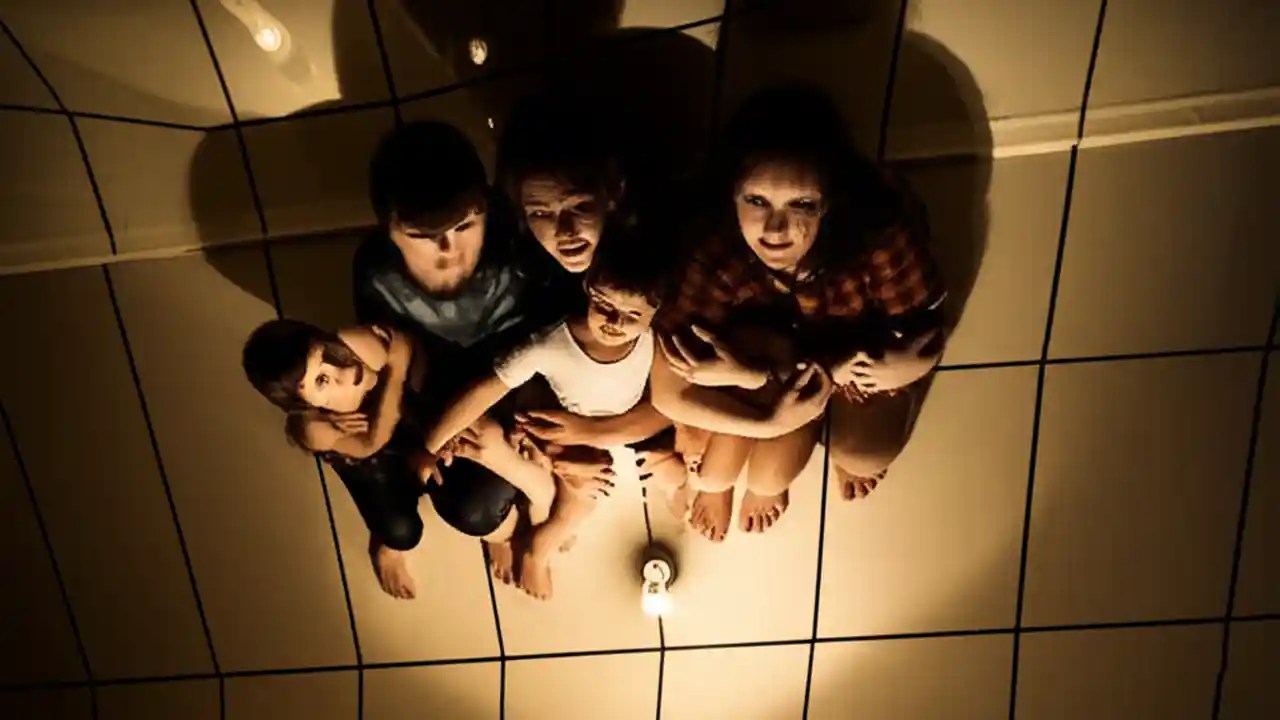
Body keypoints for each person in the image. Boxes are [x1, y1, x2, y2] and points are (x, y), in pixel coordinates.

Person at [651, 85, 946, 542]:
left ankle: (805, 441)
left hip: (844, 355)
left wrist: (905, 366)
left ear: (829, 201)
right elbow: (668, 392)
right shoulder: (711, 245)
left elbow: (925, 327)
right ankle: (748, 466)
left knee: (861, 455)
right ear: (732, 195)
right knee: (714, 473)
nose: (775, 229)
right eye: (756, 202)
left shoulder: (877, 230)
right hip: (765, 356)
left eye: (801, 205)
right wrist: (764, 416)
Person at [420, 232, 687, 599]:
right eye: (605, 306)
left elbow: (664, 409)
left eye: (632, 316)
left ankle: (544, 509)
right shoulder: (553, 343)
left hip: (611, 424)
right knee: (583, 497)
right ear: (590, 289)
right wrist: (428, 447)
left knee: (669, 468)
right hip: (559, 421)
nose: (614, 322)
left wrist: (593, 433)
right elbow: (487, 387)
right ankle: (537, 549)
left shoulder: (655, 340)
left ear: (656, 313)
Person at [241, 319, 556, 599]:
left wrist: (424, 436)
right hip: (372, 455)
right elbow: (371, 443)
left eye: (326, 353)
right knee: (399, 531)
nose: (340, 370)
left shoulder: (353, 342)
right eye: (321, 381)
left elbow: (404, 345)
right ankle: (389, 546)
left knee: (476, 509)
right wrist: (393, 373)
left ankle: (496, 534)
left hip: (414, 416)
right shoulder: (313, 427)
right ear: (302, 403)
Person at [353, 120, 564, 400]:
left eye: (465, 227)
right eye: (422, 236)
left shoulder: (519, 240)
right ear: (390, 232)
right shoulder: (377, 277)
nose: (448, 248)